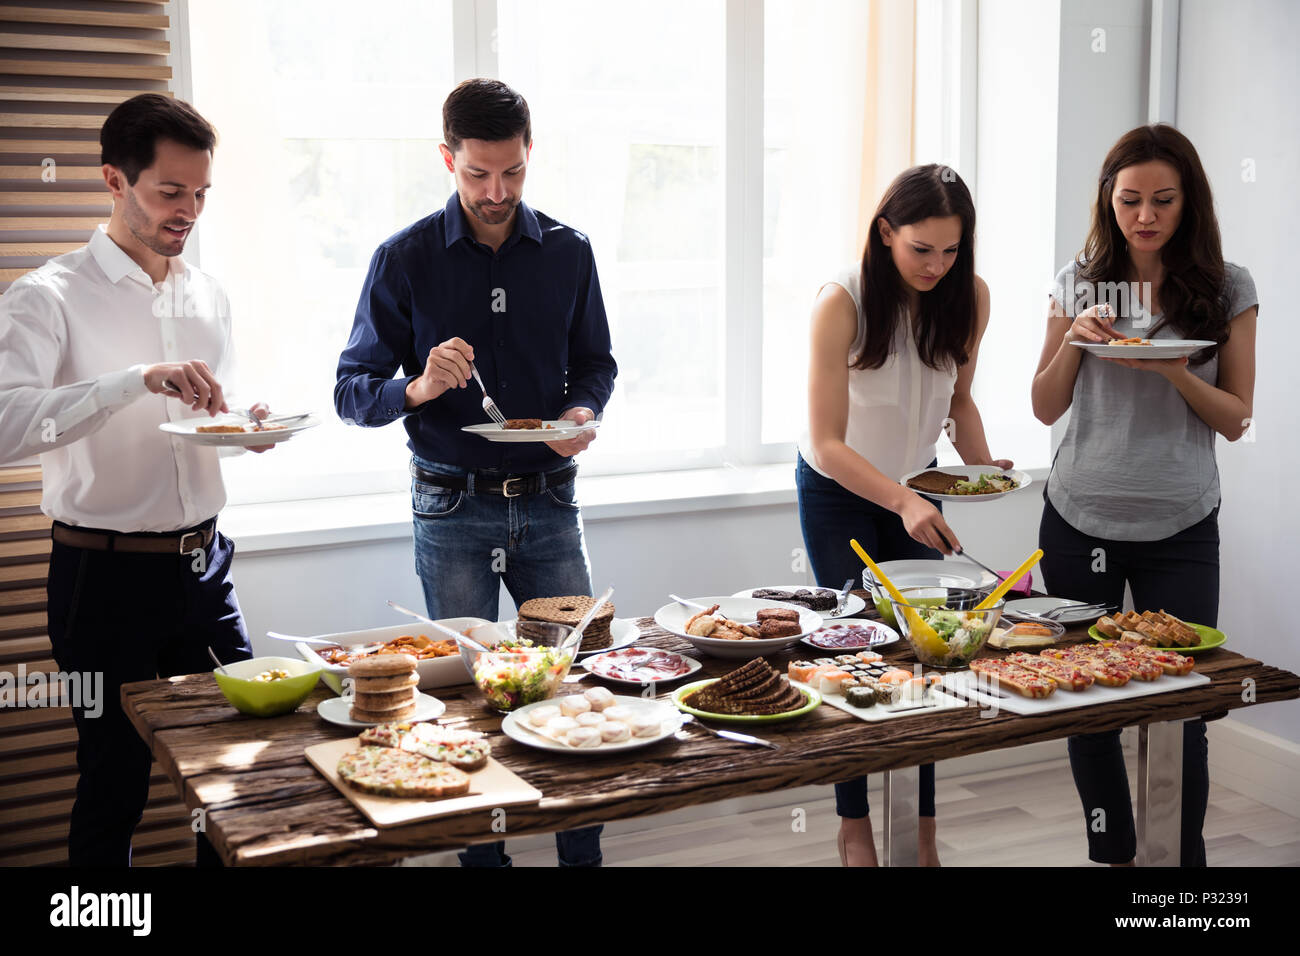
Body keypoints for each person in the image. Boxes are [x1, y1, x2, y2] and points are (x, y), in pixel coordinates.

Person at [335, 78, 616, 868]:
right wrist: (417, 388)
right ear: (447, 159)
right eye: (478, 174)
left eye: (514, 173)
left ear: (531, 156)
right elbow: (351, 394)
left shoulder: (569, 250)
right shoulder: (404, 257)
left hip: (552, 500)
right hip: (450, 503)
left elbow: (596, 364)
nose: (497, 193)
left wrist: (582, 417)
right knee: (462, 702)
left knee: (573, 684)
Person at [0, 93, 275, 866]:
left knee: (238, 770)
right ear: (114, 182)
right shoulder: (45, 297)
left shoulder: (207, 293)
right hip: (102, 576)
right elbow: (7, 426)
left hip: (205, 566)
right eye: (169, 192)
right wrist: (133, 380)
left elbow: (194, 430)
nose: (188, 211)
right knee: (114, 781)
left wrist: (241, 431)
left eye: (200, 194)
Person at [1030, 124, 1256, 867]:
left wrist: (1177, 373)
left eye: (1163, 199)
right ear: (1109, 200)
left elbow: (1236, 419)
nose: (1146, 216)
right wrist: (1074, 337)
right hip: (1079, 516)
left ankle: (1177, 870)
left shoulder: (1228, 288)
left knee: (1180, 712)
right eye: (1130, 201)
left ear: (1188, 201)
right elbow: (1043, 406)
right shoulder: (1078, 281)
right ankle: (1112, 857)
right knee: (1087, 704)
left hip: (1181, 522)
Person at [797, 164, 1011, 867]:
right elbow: (828, 442)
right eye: (922, 249)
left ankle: (917, 829)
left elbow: (959, 401)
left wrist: (981, 468)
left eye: (951, 251)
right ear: (886, 232)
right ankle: (855, 826)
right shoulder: (843, 301)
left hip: (919, 486)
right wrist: (905, 500)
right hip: (840, 488)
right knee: (856, 654)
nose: (937, 265)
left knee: (926, 654)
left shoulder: (969, 297)